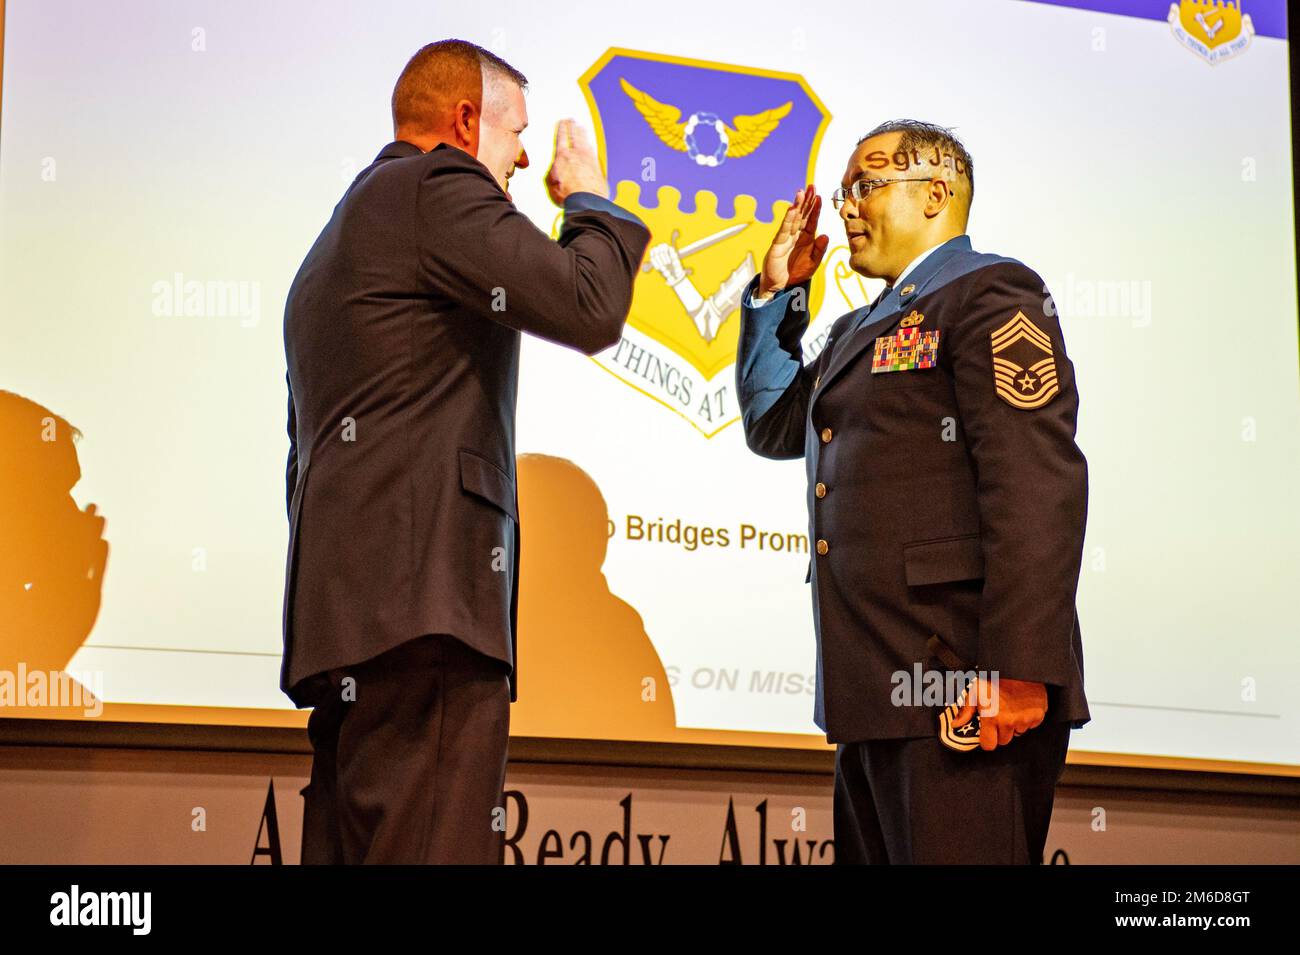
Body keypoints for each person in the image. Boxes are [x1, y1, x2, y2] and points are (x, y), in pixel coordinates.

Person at [281, 39, 649, 864]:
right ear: (464, 120)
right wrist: (591, 200)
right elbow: (589, 304)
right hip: (428, 614)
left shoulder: (328, 249)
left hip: (350, 624)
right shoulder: (435, 186)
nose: (523, 157)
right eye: (515, 132)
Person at [736, 119, 1090, 864]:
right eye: (843, 192)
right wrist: (779, 293)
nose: (846, 208)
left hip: (964, 688)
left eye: (866, 186)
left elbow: (1035, 485)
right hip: (872, 693)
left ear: (936, 194)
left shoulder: (993, 292)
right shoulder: (858, 327)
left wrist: (1023, 668)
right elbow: (773, 424)